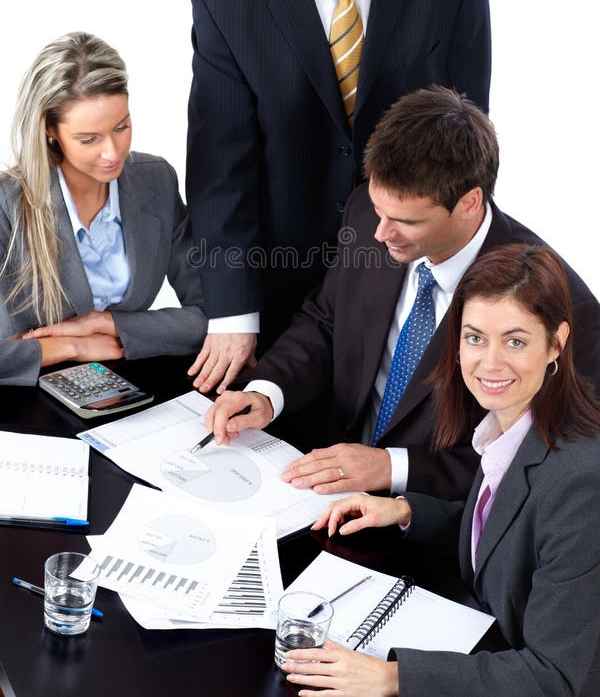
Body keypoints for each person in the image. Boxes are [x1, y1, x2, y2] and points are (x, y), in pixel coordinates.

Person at [186, 0, 492, 396]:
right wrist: (232, 314)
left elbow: (470, 126)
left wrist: (453, 268)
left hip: (412, 263)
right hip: (282, 274)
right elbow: (221, 168)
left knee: (404, 444)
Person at [204, 88, 600, 501]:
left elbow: (541, 464)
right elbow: (325, 321)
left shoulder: (568, 309)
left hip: (433, 518)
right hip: (316, 478)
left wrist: (391, 467)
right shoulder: (367, 212)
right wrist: (267, 393)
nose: (380, 233)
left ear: (469, 203)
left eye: (405, 221)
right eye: (379, 211)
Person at [280, 244, 600, 696]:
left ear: (557, 343)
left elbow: (554, 677)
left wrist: (393, 677)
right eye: (474, 338)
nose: (490, 362)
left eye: (515, 341)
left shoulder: (583, 481)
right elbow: (509, 541)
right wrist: (407, 512)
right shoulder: (510, 428)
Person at [0, 32, 207, 387]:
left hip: (132, 389)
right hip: (29, 405)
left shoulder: (155, 180)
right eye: (89, 139)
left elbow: (213, 316)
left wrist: (111, 328)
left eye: (121, 127)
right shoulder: (8, 205)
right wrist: (70, 347)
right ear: (51, 131)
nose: (113, 153)